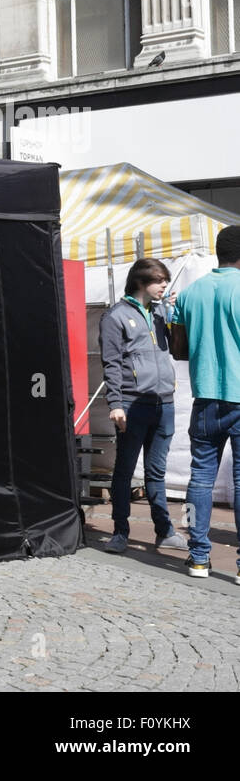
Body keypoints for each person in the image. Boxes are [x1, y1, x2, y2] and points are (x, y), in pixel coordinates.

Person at [98, 258, 188, 554]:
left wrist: (174, 316)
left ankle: (164, 531)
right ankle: (119, 531)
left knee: (156, 471)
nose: (165, 285)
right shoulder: (116, 317)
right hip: (132, 402)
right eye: (159, 280)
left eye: (165, 280)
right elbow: (111, 363)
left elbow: (176, 350)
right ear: (140, 281)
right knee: (124, 469)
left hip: (164, 402)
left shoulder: (161, 312)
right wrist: (115, 403)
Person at [170, 224, 240, 580]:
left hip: (205, 398)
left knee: (199, 480)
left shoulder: (189, 293)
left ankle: (198, 557)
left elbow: (178, 351)